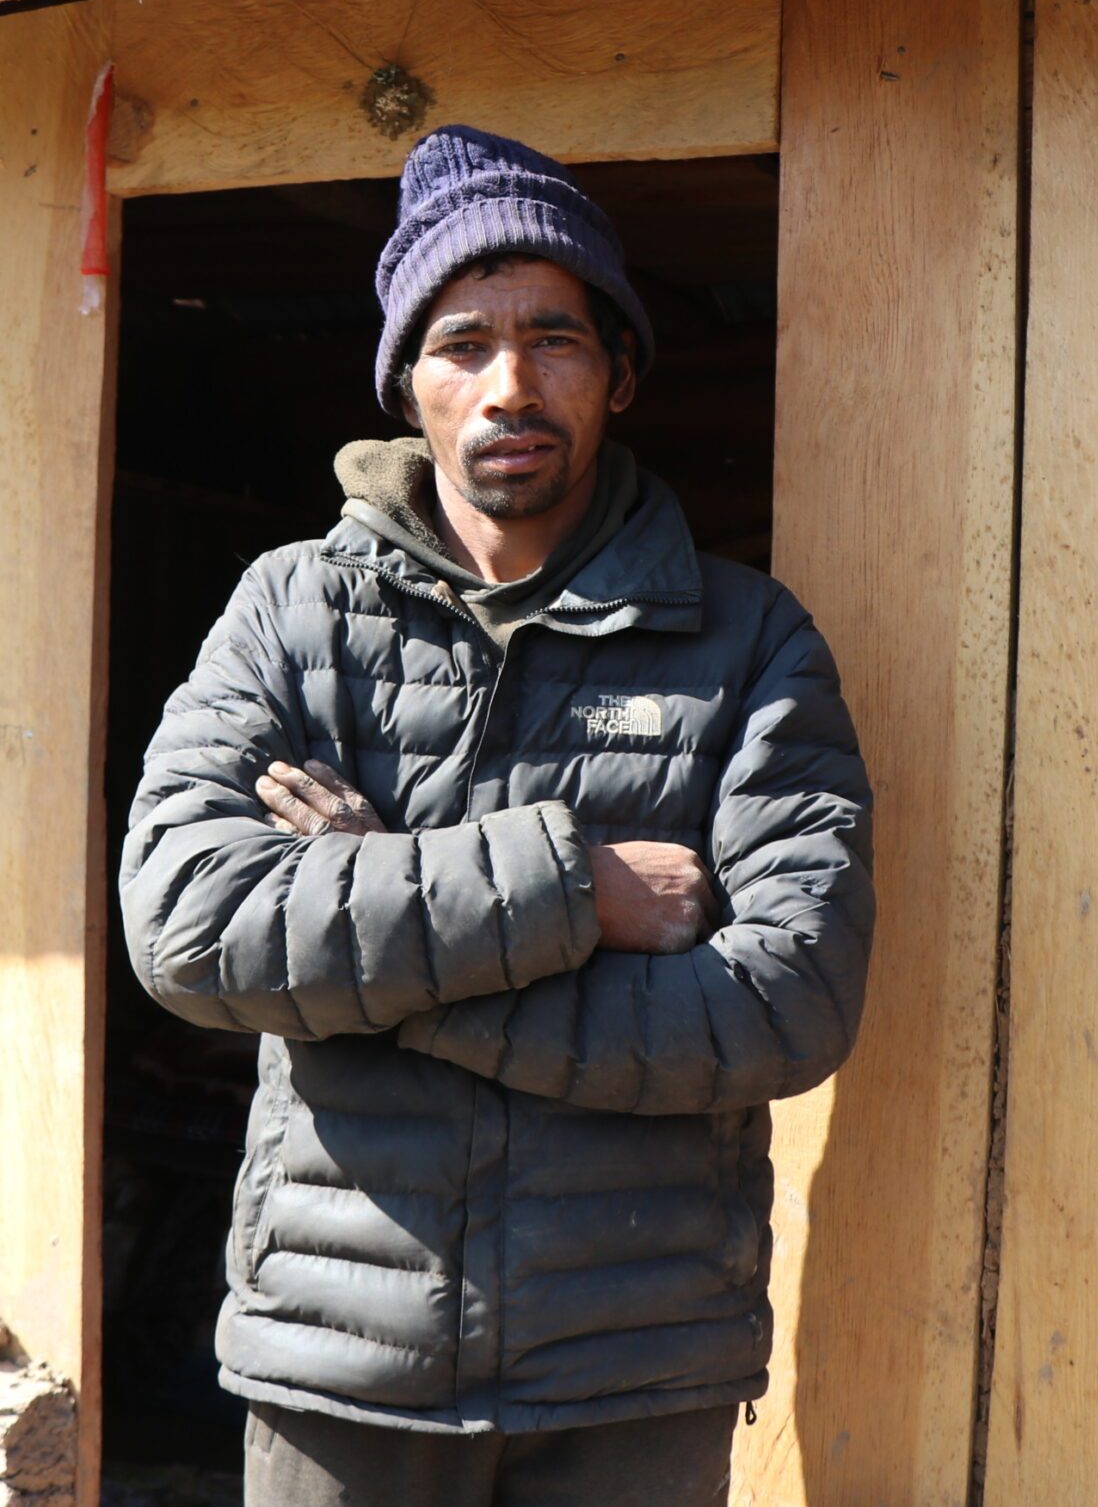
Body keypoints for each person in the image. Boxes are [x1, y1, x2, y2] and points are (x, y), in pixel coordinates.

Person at [118, 125, 874, 1507]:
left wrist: (376, 943)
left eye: (556, 339)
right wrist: (570, 894)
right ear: (409, 383)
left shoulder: (750, 643)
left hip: (634, 1375)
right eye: (462, 342)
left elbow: (786, 1005)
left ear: (621, 372)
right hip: (341, 1363)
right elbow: (187, 927)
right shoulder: (292, 612)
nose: (509, 384)